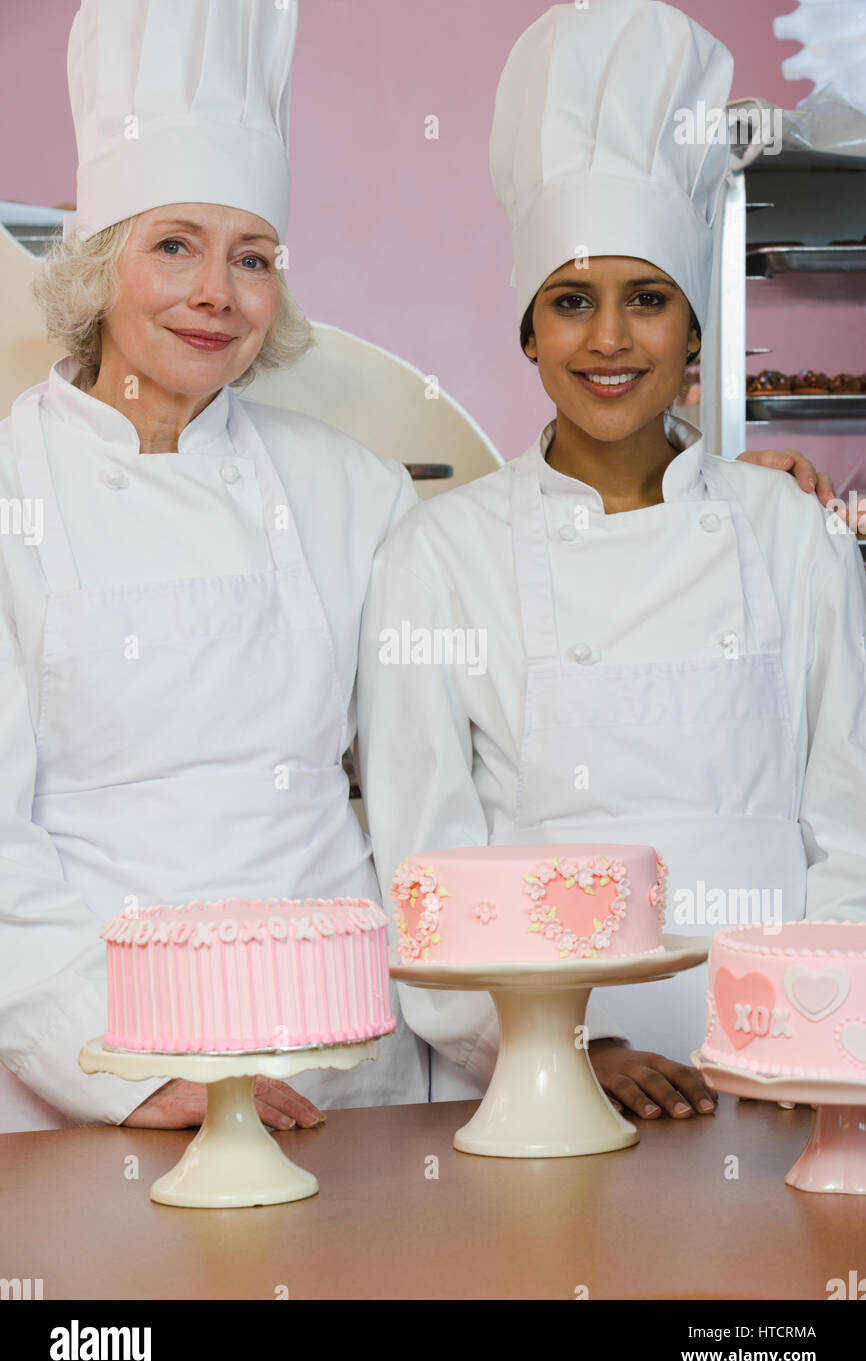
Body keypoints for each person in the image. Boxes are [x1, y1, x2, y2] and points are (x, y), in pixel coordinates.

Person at [357, 0, 866, 1117]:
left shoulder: (790, 532)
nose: (608, 339)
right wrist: (568, 1049)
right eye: (571, 302)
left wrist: (819, 1036)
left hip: (786, 1063)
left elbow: (849, 819)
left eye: (647, 300)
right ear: (527, 331)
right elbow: (425, 867)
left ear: (694, 333)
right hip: (542, 1080)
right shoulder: (436, 556)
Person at [0, 0, 430, 1131]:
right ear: (100, 266)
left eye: (253, 259)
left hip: (341, 1059)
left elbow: (420, 798)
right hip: (87, 1070)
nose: (215, 294)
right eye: (174, 246)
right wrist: (128, 1071)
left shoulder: (356, 492)